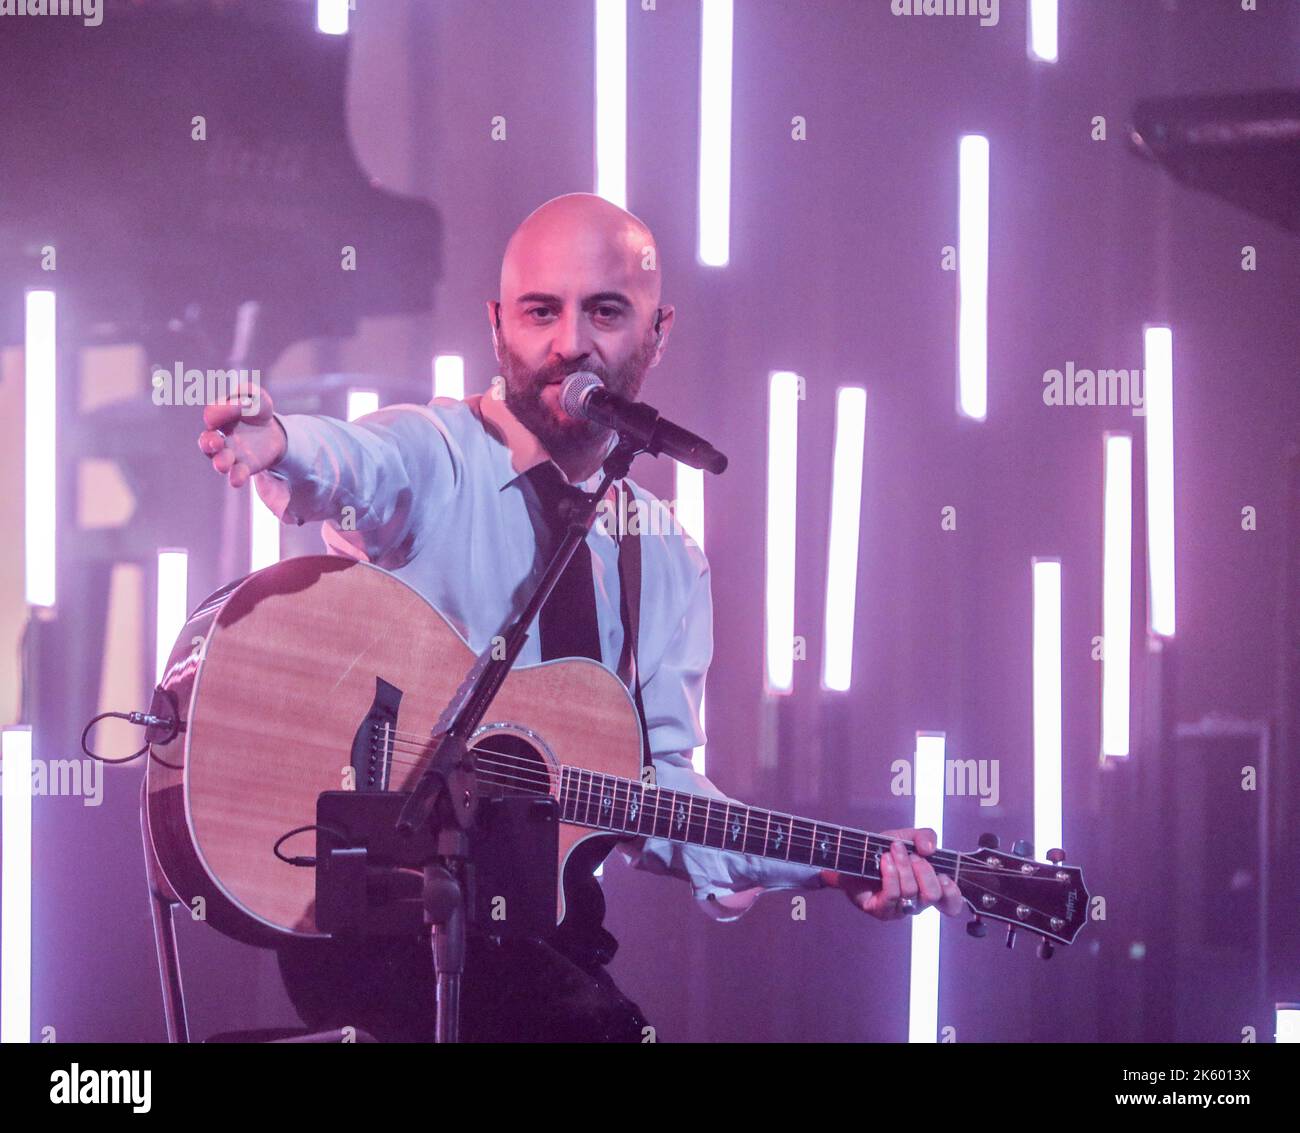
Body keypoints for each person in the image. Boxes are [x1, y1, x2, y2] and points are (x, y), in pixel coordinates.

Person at [197, 192, 965, 1042]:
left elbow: (659, 787)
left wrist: (829, 865)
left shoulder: (664, 556)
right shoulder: (439, 454)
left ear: (657, 331)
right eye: (540, 312)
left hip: (541, 948)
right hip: (379, 919)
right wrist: (282, 443)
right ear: (497, 326)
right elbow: (356, 464)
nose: (570, 344)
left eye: (605, 311)